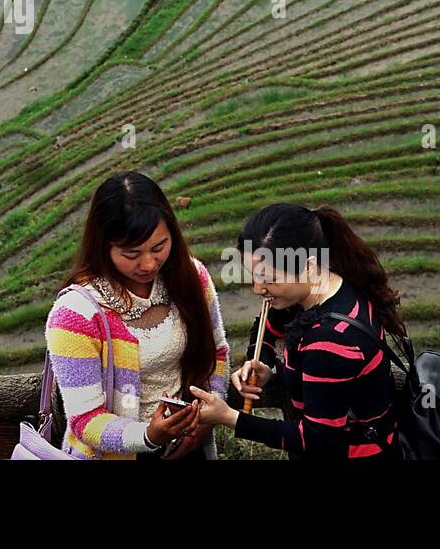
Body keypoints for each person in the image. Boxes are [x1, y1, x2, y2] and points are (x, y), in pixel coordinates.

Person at [186, 203, 402, 460]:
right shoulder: (321, 288)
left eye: (268, 278)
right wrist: (259, 359)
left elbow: (317, 439)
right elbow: (266, 325)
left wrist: (230, 417)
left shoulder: (331, 341)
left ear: (308, 265)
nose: (257, 289)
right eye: (252, 276)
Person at [44, 171, 229, 460]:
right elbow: (85, 420)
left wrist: (207, 415)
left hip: (188, 446)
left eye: (159, 247)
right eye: (132, 254)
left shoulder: (192, 279)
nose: (148, 263)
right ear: (104, 248)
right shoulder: (75, 315)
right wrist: (148, 436)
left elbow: (216, 353)